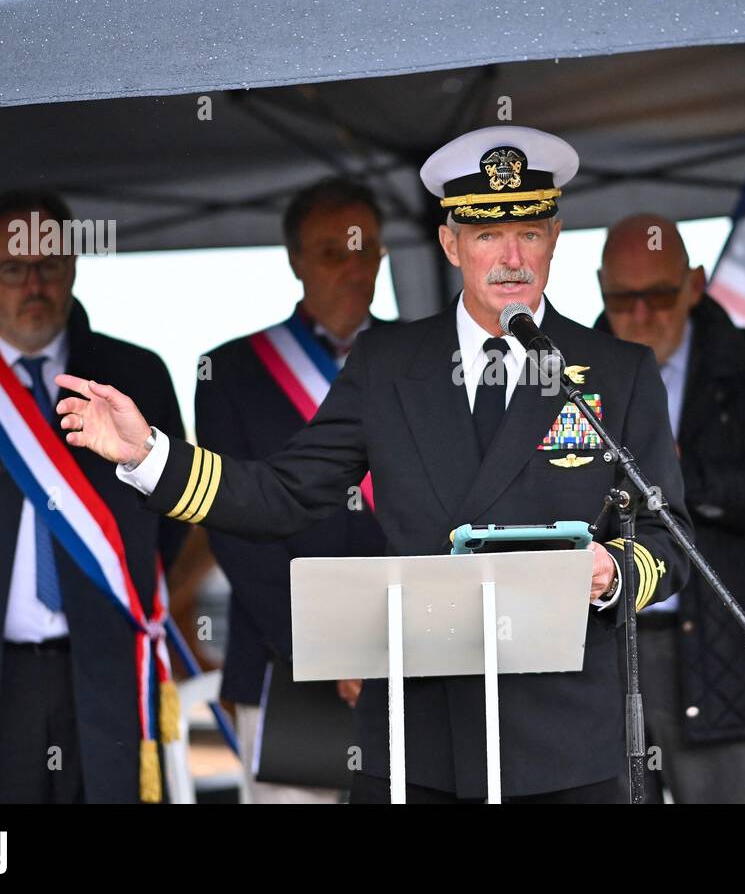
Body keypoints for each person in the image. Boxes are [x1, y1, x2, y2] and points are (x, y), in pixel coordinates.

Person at [56, 125, 692, 803]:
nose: (511, 256)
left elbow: (669, 538)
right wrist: (150, 454)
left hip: (566, 747)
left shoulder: (619, 373)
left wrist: (613, 571)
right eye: (486, 236)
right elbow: (283, 492)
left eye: (529, 232)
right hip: (418, 744)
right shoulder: (388, 364)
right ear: (450, 243)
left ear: (556, 237)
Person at [0, 190, 187, 803]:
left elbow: (170, 512)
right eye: (13, 268)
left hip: (105, 661)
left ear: (73, 266)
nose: (34, 284)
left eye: (49, 264)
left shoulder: (136, 374)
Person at [599, 213, 745, 801]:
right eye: (621, 298)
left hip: (722, 643)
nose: (640, 314)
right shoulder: (572, 371)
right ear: (599, 286)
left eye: (658, 294)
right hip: (607, 642)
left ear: (695, 283)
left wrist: (687, 479)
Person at [197, 177, 389, 802]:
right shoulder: (231, 373)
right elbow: (232, 526)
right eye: (335, 252)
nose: (355, 267)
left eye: (367, 250)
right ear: (295, 260)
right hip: (286, 662)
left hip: (413, 656)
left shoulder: (431, 357)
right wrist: (327, 646)